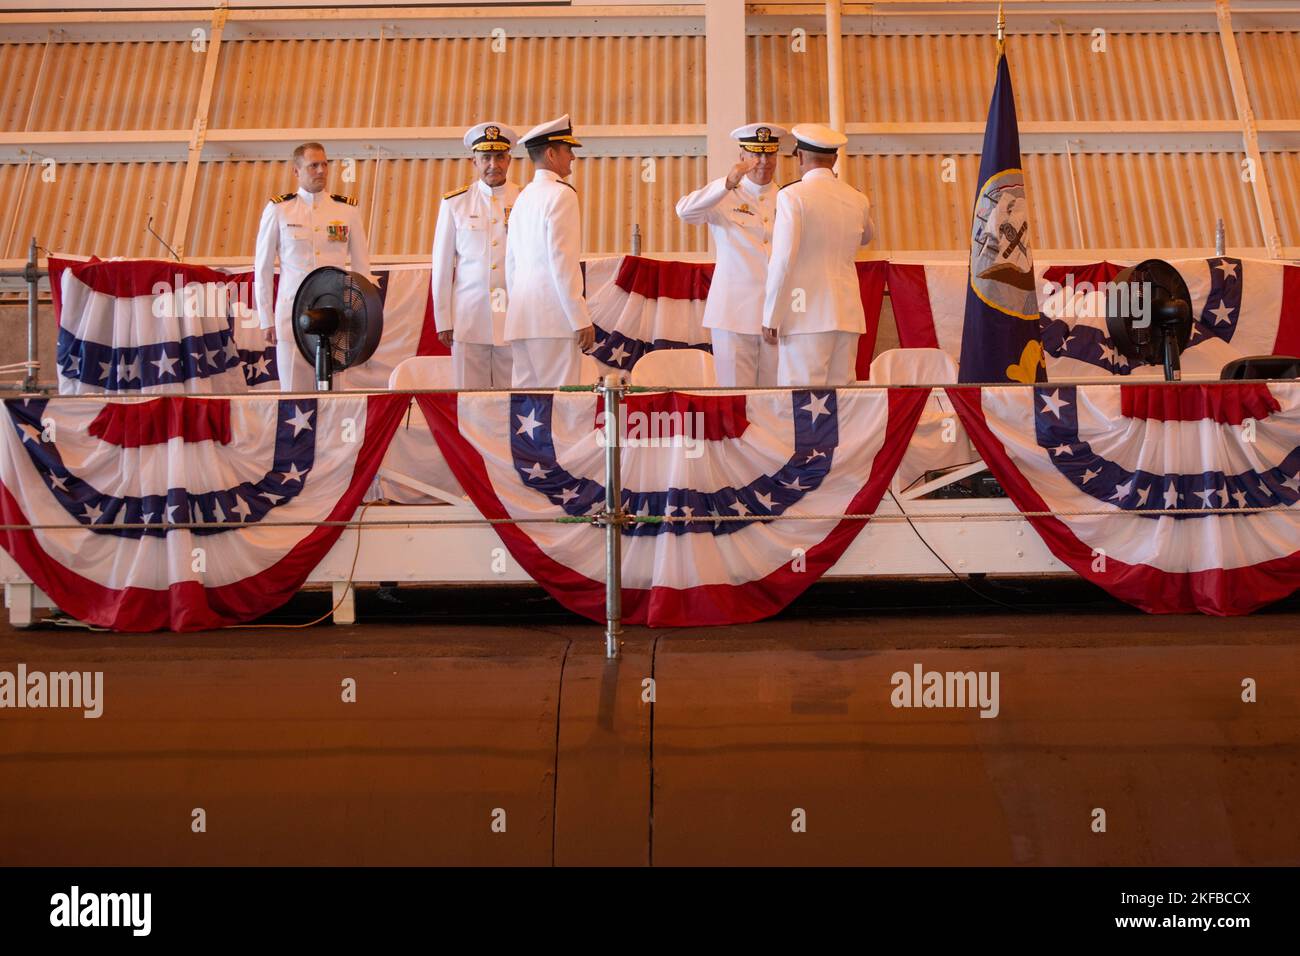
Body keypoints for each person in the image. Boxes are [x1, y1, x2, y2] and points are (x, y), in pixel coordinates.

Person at [761, 123, 875, 387]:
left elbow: (783, 259)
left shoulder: (792, 196)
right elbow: (867, 236)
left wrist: (771, 315)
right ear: (834, 159)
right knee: (841, 403)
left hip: (805, 317)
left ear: (800, 157)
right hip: (846, 317)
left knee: (800, 400)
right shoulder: (857, 199)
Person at [675, 123, 788, 387]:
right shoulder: (724, 196)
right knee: (735, 399)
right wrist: (726, 183)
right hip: (733, 314)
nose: (763, 162)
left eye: (770, 154)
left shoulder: (787, 198)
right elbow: (685, 212)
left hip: (777, 316)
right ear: (742, 157)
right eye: (755, 154)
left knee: (776, 397)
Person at [254, 142, 372, 391]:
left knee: (334, 394)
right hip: (293, 315)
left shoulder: (346, 209)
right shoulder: (279, 209)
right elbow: (262, 267)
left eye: (325, 165)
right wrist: (266, 318)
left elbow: (361, 266)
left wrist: (363, 313)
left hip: (336, 313)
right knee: (295, 395)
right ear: (296, 171)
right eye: (313, 166)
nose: (321, 171)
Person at [504, 114, 594, 387]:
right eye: (568, 151)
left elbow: (511, 264)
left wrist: (515, 306)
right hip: (553, 321)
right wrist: (579, 318)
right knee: (561, 409)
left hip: (522, 319)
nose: (573, 158)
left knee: (528, 410)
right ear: (552, 154)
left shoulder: (522, 197)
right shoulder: (561, 194)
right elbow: (562, 262)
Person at [431, 122, 522, 388]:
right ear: (474, 161)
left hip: (514, 317)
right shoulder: (455, 203)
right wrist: (443, 320)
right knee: (470, 402)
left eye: (499, 157)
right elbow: (443, 267)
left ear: (509, 159)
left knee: (515, 399)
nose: (493, 164)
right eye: (486, 158)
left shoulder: (525, 199)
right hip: (470, 319)